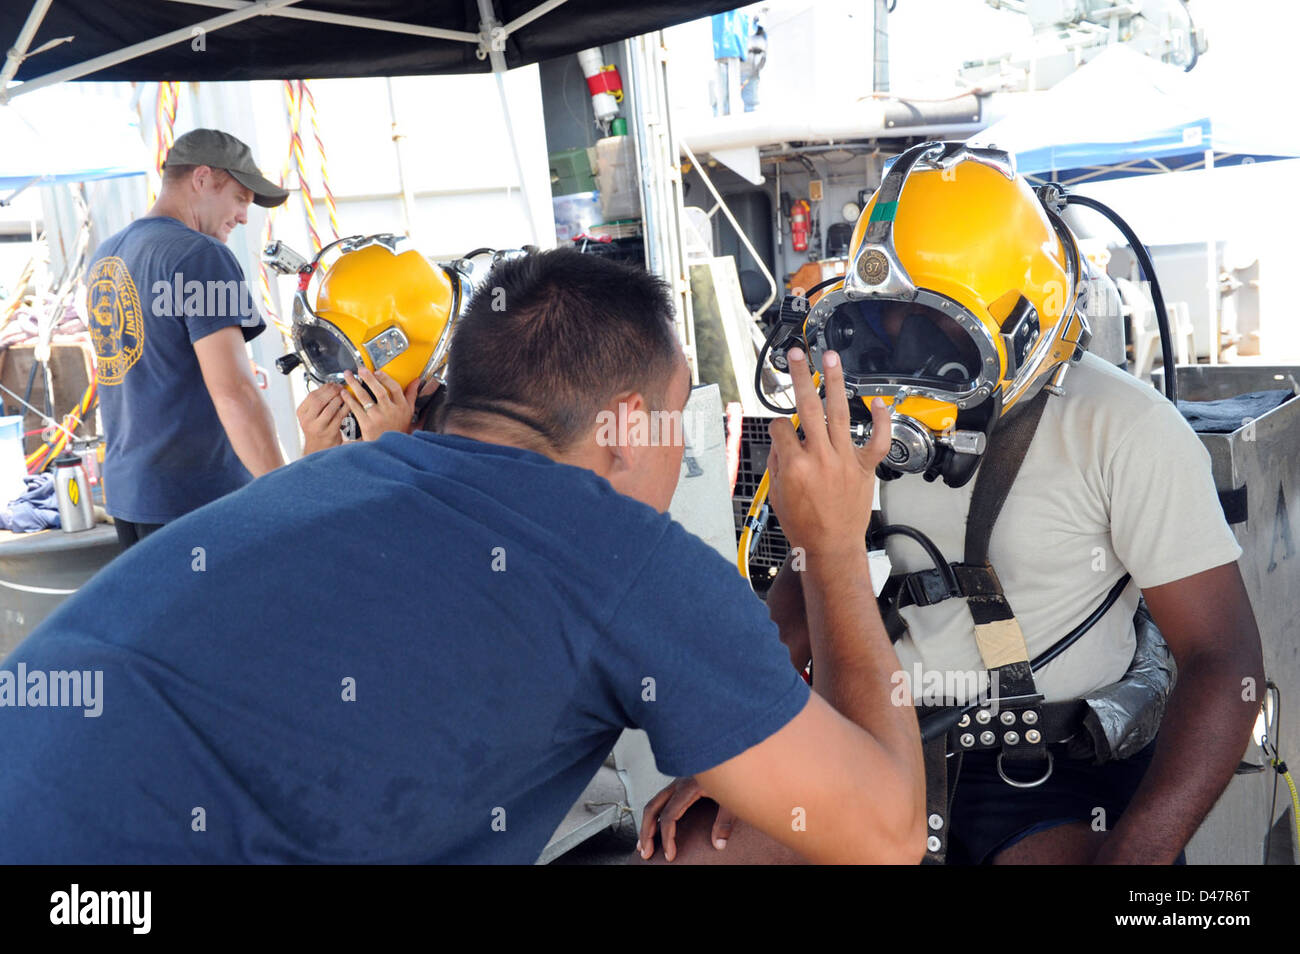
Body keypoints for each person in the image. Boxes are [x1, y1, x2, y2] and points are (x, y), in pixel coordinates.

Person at [0, 248, 925, 864]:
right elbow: (885, 835)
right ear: (627, 430)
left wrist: (770, 652)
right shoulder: (614, 551)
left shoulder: (325, 480)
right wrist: (836, 548)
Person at [642, 141, 1264, 865]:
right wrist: (732, 747)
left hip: (1045, 767)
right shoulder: (860, 411)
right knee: (682, 855)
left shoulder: (1125, 428)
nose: (901, 364)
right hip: (878, 744)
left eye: (934, 332)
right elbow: (804, 581)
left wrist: (1141, 853)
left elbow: (1224, 661)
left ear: (1023, 329)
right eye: (881, 325)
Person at [85, 128, 289, 548]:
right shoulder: (202, 255)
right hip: (196, 500)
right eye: (240, 198)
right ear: (201, 178)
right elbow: (237, 395)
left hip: (129, 498)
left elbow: (146, 362)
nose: (245, 216)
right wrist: (286, 494)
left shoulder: (106, 255)